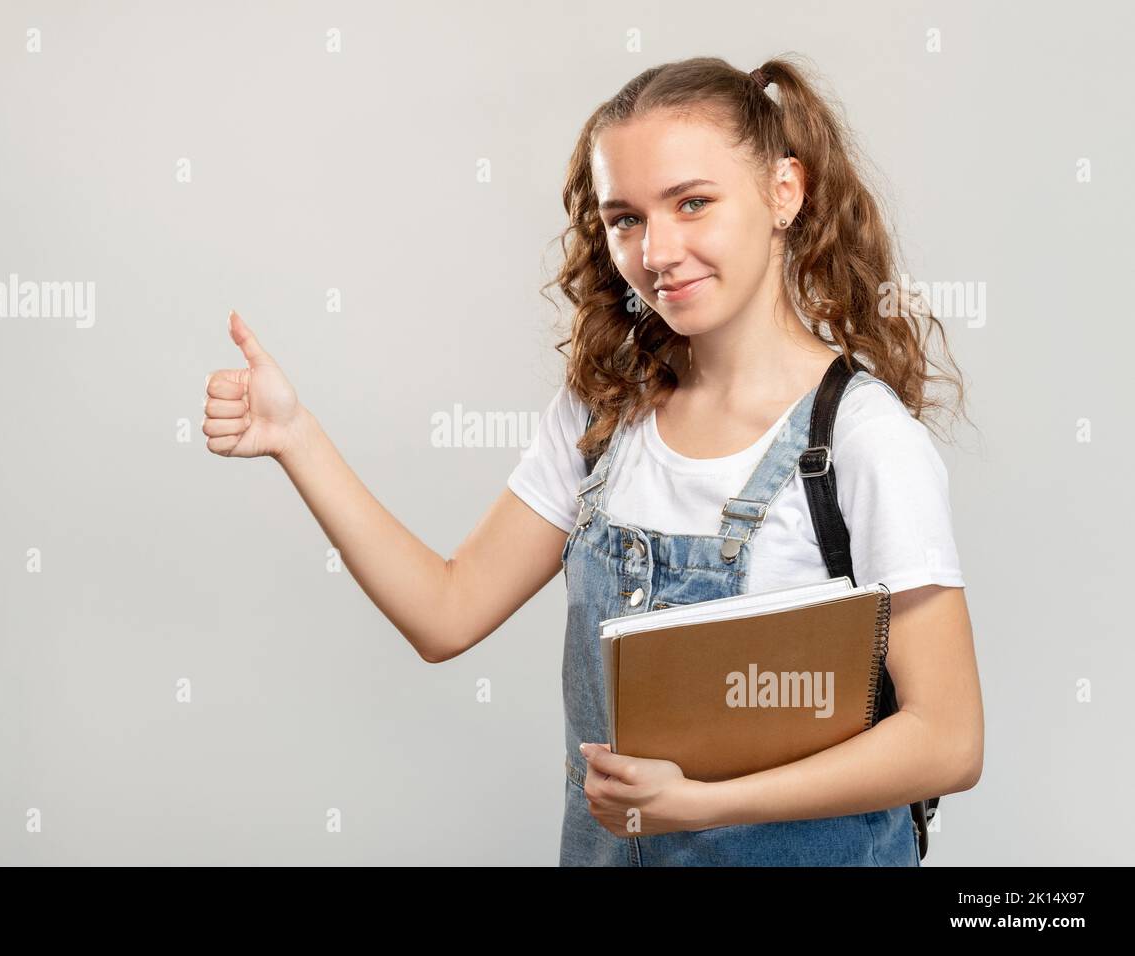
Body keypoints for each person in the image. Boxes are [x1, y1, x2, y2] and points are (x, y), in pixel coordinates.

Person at [202, 54, 984, 867]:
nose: (658, 251)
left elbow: (948, 739)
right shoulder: (604, 416)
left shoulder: (861, 439)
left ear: (784, 192)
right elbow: (445, 613)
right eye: (626, 219)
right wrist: (295, 437)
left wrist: (702, 806)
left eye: (692, 203)